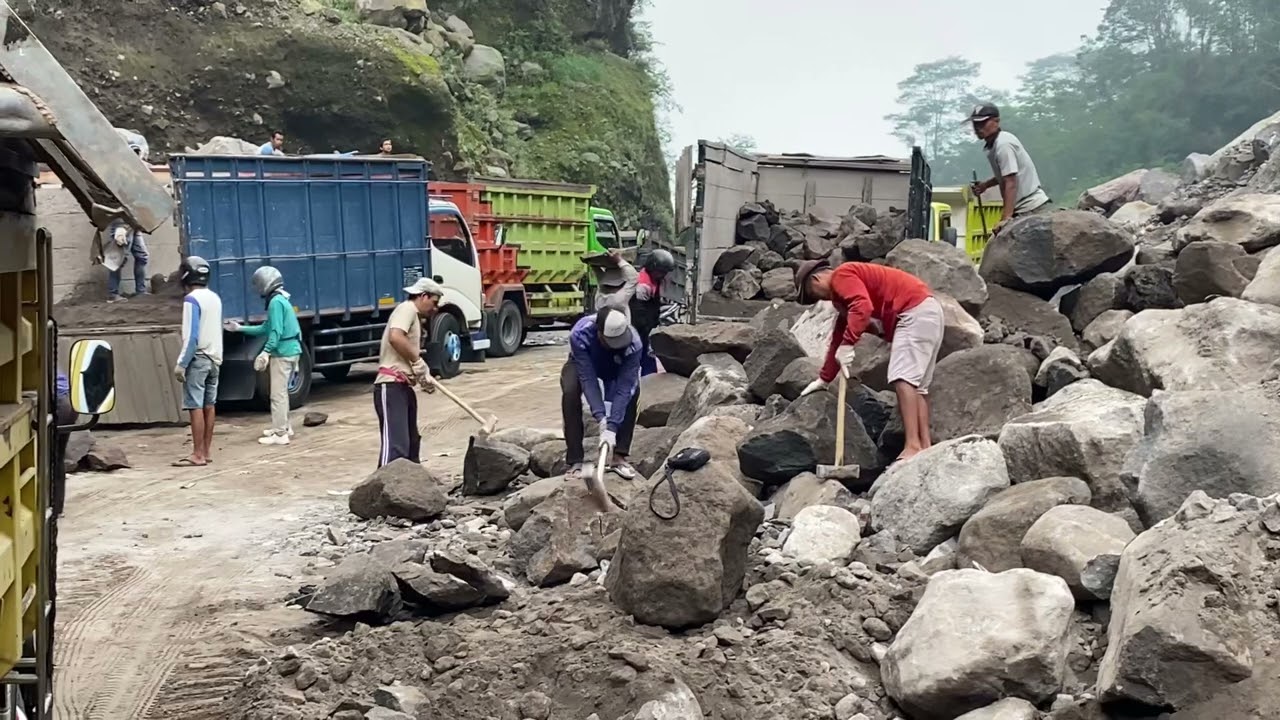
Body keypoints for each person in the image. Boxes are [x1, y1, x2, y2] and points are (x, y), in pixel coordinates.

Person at [794, 260, 945, 462]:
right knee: (918, 387)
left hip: (912, 311)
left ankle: (912, 445)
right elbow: (837, 337)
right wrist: (824, 379)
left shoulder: (842, 275)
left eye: (813, 293)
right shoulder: (843, 298)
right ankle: (925, 446)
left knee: (903, 379)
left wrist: (849, 344)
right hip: (928, 310)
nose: (820, 299)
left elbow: (862, 307)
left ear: (816, 278)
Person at [563, 306, 642, 483]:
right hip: (586, 362)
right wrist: (601, 417)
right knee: (570, 390)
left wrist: (612, 426)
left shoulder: (633, 342)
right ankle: (575, 461)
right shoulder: (580, 333)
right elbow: (588, 379)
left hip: (618, 366)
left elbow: (624, 388)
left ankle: (619, 457)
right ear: (599, 332)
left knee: (632, 391)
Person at [225, 266, 304, 445]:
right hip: (291, 351)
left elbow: (275, 331)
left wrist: (266, 351)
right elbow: (265, 328)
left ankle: (280, 433)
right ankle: (284, 426)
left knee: (277, 394)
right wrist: (239, 328)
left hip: (283, 353)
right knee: (282, 392)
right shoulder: (281, 299)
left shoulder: (276, 302)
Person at [372, 277, 443, 466]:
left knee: (411, 443)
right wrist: (417, 360)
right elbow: (396, 337)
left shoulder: (414, 316)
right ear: (423, 296)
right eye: (434, 302)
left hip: (403, 385)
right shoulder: (407, 309)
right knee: (396, 447)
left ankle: (414, 487)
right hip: (390, 385)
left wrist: (420, 376)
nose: (434, 308)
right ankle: (385, 489)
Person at [966, 103, 1052, 234]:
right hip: (1022, 209)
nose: (978, 128)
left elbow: (1011, 182)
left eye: (983, 123)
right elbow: (1005, 175)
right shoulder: (993, 146)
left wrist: (1006, 218)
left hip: (1031, 207)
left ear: (996, 121)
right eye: (976, 124)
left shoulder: (1003, 144)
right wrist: (985, 185)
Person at [172, 256, 223, 467]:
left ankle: (197, 454)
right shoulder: (215, 298)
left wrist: (181, 363)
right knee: (209, 405)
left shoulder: (191, 300)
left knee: (195, 406)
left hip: (199, 358)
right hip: (215, 359)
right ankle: (207, 451)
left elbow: (192, 336)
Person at [629, 248, 675, 376]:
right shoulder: (643, 285)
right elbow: (638, 311)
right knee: (640, 357)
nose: (663, 275)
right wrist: (646, 329)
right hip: (639, 328)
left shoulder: (655, 280)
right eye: (661, 272)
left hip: (648, 326)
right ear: (652, 268)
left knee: (648, 358)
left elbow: (654, 305)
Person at [593, 249, 638, 318]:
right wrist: (619, 260)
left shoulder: (600, 299)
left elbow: (599, 277)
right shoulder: (617, 300)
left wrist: (593, 262)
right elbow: (633, 277)